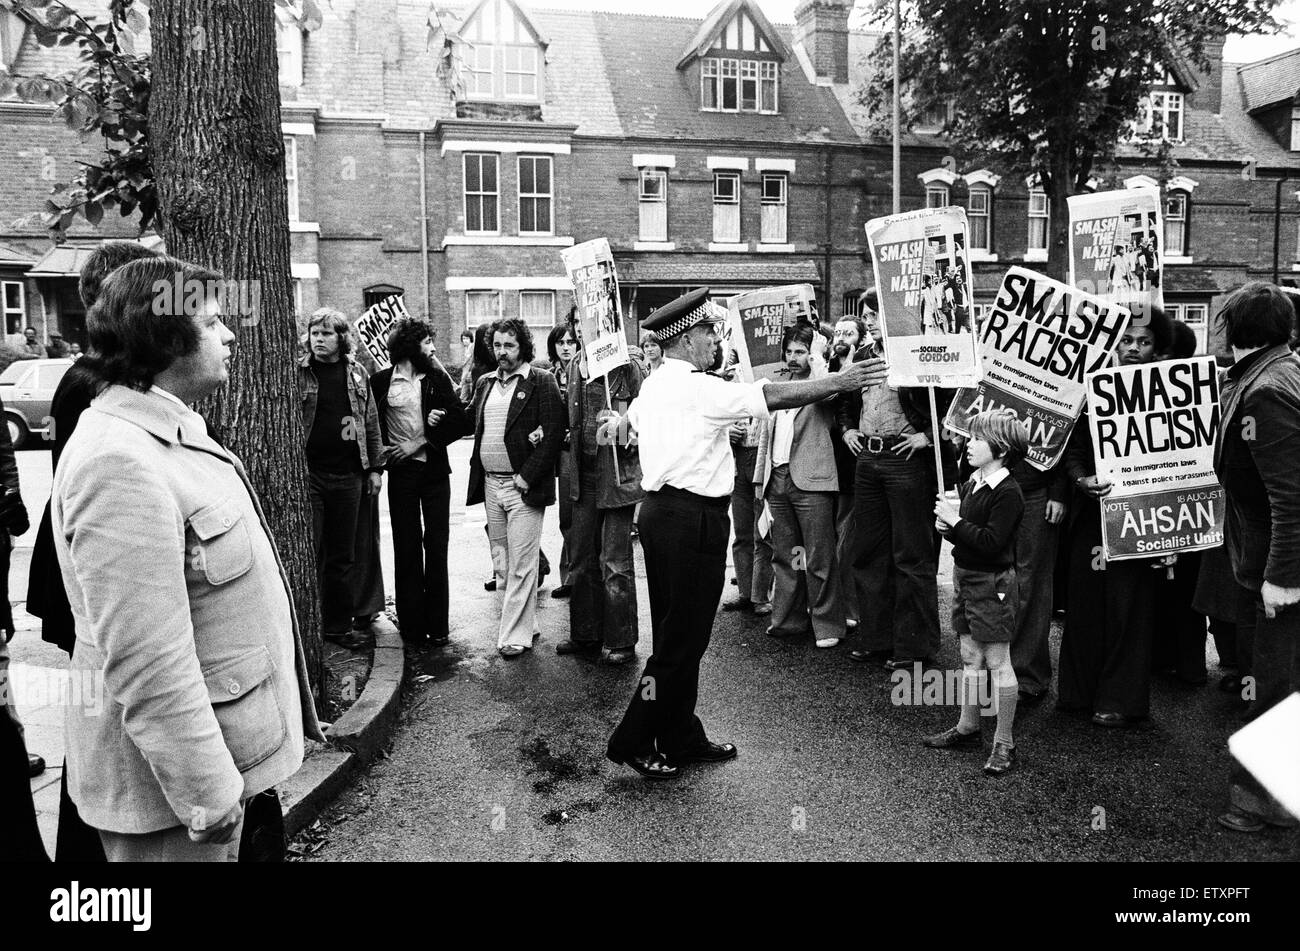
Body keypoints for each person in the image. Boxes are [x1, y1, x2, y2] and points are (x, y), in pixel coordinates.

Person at [52, 256, 324, 861]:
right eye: (215, 320)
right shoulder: (117, 461)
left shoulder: (163, 432)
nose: (230, 334)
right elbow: (147, 658)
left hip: (216, 774)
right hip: (174, 804)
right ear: (168, 337)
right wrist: (205, 790)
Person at [603, 288, 888, 780]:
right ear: (688, 339)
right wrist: (839, 381)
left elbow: (634, 427)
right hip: (690, 520)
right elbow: (772, 396)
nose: (716, 339)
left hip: (662, 515)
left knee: (683, 637)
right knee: (679, 642)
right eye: (710, 332)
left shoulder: (655, 385)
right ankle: (633, 737)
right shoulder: (699, 387)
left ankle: (679, 734)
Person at [26, 239, 159, 863]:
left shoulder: (94, 378)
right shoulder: (94, 385)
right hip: (86, 584)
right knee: (103, 732)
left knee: (102, 723)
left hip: (77, 579)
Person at [1212, 282, 1300, 832]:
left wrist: (1283, 578)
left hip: (1281, 563)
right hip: (1269, 554)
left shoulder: (1265, 388)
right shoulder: (1279, 370)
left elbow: (1290, 494)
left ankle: (1263, 803)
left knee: (1274, 682)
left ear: (1234, 329)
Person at [1057, 312, 1171, 727]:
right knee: (1085, 604)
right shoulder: (1093, 390)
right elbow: (1073, 449)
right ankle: (1077, 693)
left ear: (1155, 348)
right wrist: (1080, 480)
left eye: (1143, 342)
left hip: (1143, 518)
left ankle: (1119, 700)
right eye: (1127, 341)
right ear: (1115, 346)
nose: (1134, 350)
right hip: (1093, 515)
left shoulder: (1169, 394)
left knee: (1129, 608)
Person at [839, 329, 954, 670]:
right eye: (868, 314)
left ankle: (913, 647)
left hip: (906, 459)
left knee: (911, 553)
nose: (872, 321)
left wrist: (930, 436)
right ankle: (877, 638)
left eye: (876, 313)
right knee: (869, 552)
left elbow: (958, 399)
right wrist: (847, 428)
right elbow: (845, 398)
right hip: (868, 458)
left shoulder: (921, 349)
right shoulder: (861, 356)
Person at [927, 409, 1028, 774]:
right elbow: (970, 535)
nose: (969, 445)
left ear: (1000, 447)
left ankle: (1004, 742)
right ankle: (969, 727)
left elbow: (990, 542)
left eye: (977, 439)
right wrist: (950, 528)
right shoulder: (972, 483)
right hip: (965, 576)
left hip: (993, 584)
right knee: (970, 657)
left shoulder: (1009, 492)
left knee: (998, 662)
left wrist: (956, 523)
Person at [467, 318, 566, 658]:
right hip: (491, 485)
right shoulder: (485, 383)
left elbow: (553, 433)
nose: (502, 352)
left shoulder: (542, 381)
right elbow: (470, 420)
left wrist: (527, 475)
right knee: (503, 563)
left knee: (523, 563)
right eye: (497, 345)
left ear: (523, 346)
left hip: (523, 487)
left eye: (509, 345)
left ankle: (514, 636)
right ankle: (530, 623)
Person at [371, 318, 471, 649]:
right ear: (411, 345)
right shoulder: (381, 382)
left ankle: (438, 627)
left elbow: (461, 419)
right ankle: (412, 628)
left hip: (434, 475)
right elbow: (371, 426)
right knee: (407, 547)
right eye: (427, 341)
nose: (433, 347)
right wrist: (381, 455)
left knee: (436, 546)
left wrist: (425, 436)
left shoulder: (436, 378)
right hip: (402, 475)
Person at [554, 312, 645, 665]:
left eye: (587, 319)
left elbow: (641, 417)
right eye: (576, 320)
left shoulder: (627, 365)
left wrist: (624, 429)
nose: (581, 327)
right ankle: (586, 634)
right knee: (582, 560)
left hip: (617, 476)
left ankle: (621, 639)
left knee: (615, 561)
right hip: (584, 475)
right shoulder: (576, 363)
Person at [297, 308, 384, 649]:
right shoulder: (299, 372)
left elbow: (371, 424)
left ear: (341, 339)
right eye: (314, 333)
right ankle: (311, 624)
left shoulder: (358, 374)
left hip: (349, 477)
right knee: (312, 549)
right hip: (312, 476)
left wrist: (375, 469)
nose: (318, 340)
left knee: (343, 556)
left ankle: (338, 627)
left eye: (326, 334)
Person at [754, 324, 843, 648]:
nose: (793, 358)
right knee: (790, 554)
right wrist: (758, 480)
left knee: (819, 555)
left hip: (812, 479)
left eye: (800, 352)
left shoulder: (820, 381)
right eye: (789, 351)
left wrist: (819, 359)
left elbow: (832, 393)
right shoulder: (779, 384)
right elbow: (766, 435)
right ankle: (790, 619)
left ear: (811, 353)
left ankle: (827, 625)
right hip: (777, 479)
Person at [829, 310, 874, 631]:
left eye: (848, 333)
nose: (841, 339)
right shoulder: (826, 368)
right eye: (838, 334)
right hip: (824, 467)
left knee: (851, 540)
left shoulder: (864, 368)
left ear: (860, 339)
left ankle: (853, 607)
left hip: (853, 467)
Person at [546, 322, 580, 600]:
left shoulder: (585, 370)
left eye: (571, 342)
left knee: (577, 514)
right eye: (561, 343)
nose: (566, 347)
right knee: (565, 515)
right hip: (556, 450)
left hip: (579, 449)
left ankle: (576, 574)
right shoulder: (547, 375)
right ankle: (568, 573)